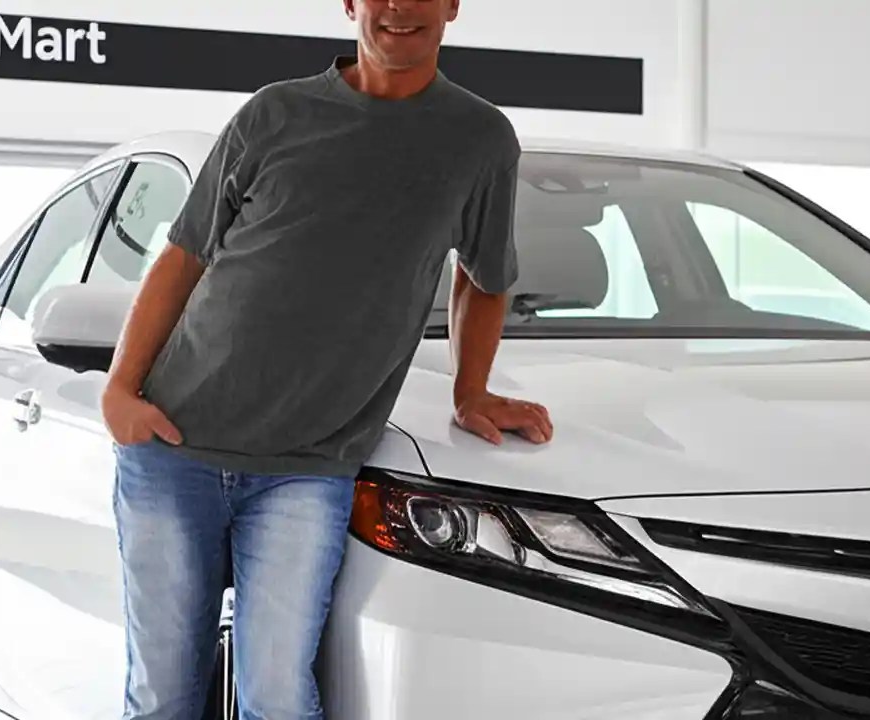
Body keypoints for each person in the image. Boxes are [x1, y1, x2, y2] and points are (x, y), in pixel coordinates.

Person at [100, 0, 554, 717]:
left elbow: (485, 275)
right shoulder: (274, 113)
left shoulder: (479, 138)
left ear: (453, 5)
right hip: (172, 446)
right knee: (162, 698)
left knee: (278, 697)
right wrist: (120, 388)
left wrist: (471, 391)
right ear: (350, 3)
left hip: (308, 471)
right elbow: (185, 254)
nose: (399, 7)